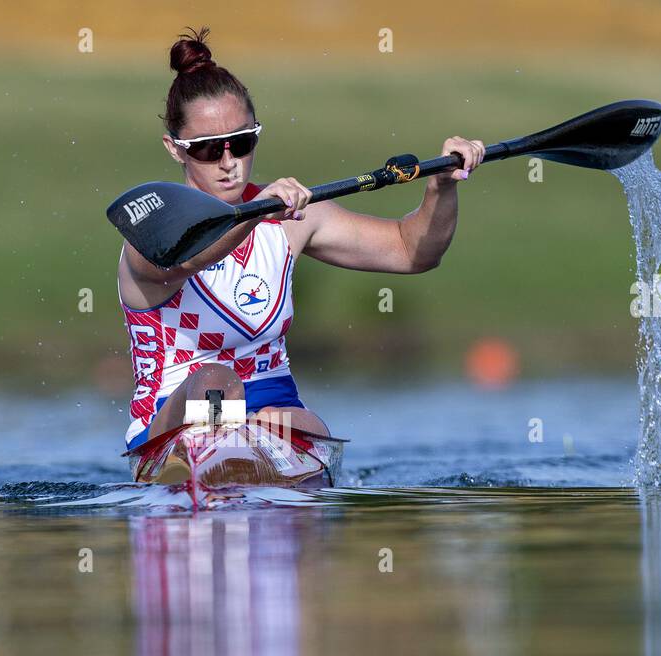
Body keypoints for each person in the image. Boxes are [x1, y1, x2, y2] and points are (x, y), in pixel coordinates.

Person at [118, 27, 484, 452]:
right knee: (214, 382)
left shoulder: (291, 219)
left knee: (310, 426)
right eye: (207, 149)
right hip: (177, 415)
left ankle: (266, 457)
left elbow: (413, 251)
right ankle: (223, 452)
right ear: (175, 149)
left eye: (240, 143)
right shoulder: (154, 234)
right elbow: (183, 263)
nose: (229, 163)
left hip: (273, 406)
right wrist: (253, 218)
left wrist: (442, 185)